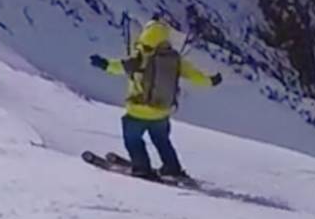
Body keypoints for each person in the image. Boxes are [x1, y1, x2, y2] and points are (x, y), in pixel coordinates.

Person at [90, 19, 222, 180]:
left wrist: (103, 64)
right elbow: (195, 76)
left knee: (133, 139)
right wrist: (211, 81)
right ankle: (172, 168)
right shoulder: (175, 59)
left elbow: (120, 67)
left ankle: (142, 167)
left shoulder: (141, 56)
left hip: (138, 111)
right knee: (162, 140)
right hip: (162, 112)